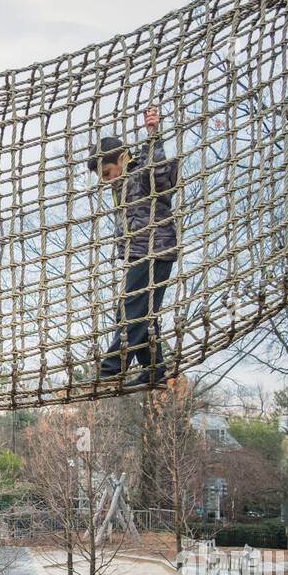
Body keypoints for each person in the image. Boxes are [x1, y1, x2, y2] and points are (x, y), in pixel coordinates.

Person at [89, 104, 179, 386]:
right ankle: (154, 369)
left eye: (107, 172)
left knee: (131, 311)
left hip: (154, 249)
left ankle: (112, 367)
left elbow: (160, 173)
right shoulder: (121, 187)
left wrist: (153, 135)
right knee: (141, 312)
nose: (107, 180)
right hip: (140, 253)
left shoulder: (141, 173)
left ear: (123, 159)